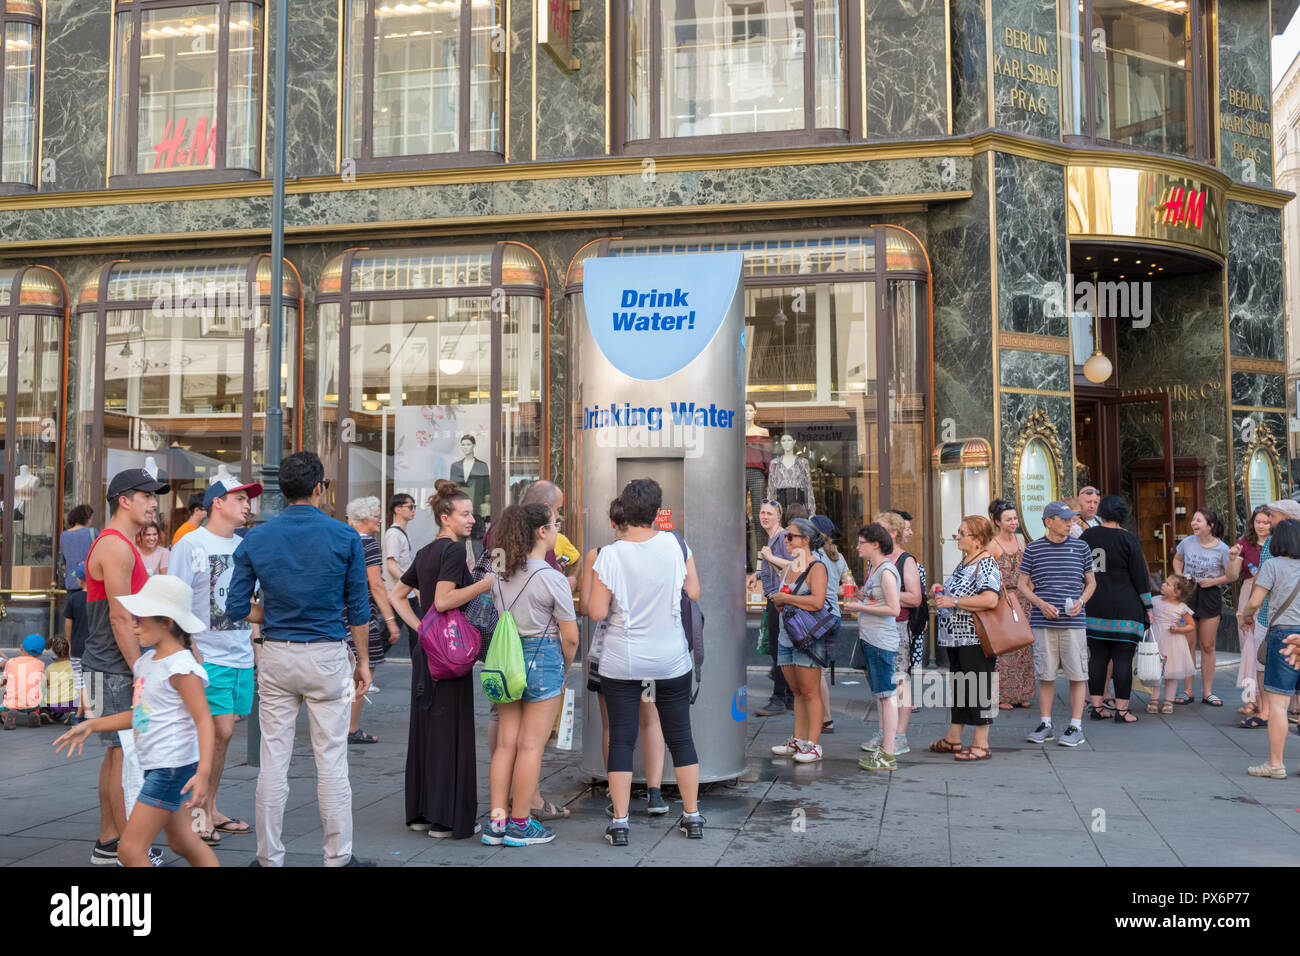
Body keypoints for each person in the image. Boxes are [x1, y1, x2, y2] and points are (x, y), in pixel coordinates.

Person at [225, 451, 374, 867]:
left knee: (274, 759)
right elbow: (358, 608)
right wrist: (362, 660)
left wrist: (269, 615)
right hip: (327, 654)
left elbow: (236, 607)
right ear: (319, 488)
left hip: (276, 653)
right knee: (331, 759)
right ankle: (337, 857)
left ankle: (269, 858)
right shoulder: (345, 536)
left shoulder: (256, 537)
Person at [52, 574, 218, 868]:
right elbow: (141, 715)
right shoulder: (146, 663)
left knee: (129, 850)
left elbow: (205, 721)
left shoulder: (181, 668)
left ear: (166, 621)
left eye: (140, 619)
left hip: (170, 767)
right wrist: (92, 725)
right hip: (160, 765)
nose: (133, 624)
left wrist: (203, 772)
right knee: (182, 841)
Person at [587, 477, 706, 845]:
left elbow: (595, 611)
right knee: (681, 738)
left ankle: (620, 823)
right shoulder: (675, 544)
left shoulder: (610, 555)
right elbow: (694, 592)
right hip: (671, 658)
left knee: (622, 740)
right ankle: (692, 816)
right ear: (657, 513)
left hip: (622, 660)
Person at [390, 479, 496, 840]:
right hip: (449, 654)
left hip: (428, 652)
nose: (472, 520)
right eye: (465, 514)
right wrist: (485, 584)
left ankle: (422, 813)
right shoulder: (451, 551)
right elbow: (444, 600)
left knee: (426, 728)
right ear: (445, 517)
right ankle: (446, 818)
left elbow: (397, 595)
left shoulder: (425, 551)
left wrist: (422, 631)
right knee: (451, 731)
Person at [166, 475, 262, 844]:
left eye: (248, 499)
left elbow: (249, 603)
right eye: (239, 498)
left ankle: (209, 806)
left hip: (240, 653)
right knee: (215, 732)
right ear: (216, 502)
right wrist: (189, 650)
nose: (247, 505)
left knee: (223, 736)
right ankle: (195, 812)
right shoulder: (190, 543)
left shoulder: (245, 546)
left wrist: (256, 648)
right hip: (206, 655)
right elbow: (174, 601)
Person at [84, 466, 170, 866]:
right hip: (114, 665)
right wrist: (141, 670)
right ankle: (127, 851)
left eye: (155, 496)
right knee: (125, 758)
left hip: (109, 664)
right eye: (148, 496)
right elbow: (120, 617)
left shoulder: (120, 542)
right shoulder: (116, 545)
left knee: (117, 755)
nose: (154, 503)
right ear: (124, 500)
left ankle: (109, 841)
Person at [481, 503, 580, 847]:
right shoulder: (553, 578)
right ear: (541, 532)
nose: (557, 530)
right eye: (554, 525)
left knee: (506, 744)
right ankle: (521, 823)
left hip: (506, 658)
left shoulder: (501, 573)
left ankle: (496, 822)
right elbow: (570, 637)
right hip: (543, 657)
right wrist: (566, 668)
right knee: (531, 747)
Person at [581, 499, 671, 818]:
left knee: (614, 726)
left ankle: (615, 791)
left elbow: (588, 608)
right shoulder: (658, 552)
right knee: (650, 719)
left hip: (609, 654)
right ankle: (656, 793)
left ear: (612, 522)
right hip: (648, 654)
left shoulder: (600, 555)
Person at [1019, 501, 1097, 748]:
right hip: (1043, 621)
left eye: (1070, 519)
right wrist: (1040, 604)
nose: (1069, 523)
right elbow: (1022, 585)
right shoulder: (1033, 549)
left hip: (1074, 622)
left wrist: (1081, 602)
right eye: (1064, 519)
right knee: (1046, 674)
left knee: (1077, 674)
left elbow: (1092, 583)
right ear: (1048, 521)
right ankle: (1046, 723)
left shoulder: (1082, 547)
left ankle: (1076, 726)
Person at [929, 516, 1002, 759]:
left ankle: (981, 744)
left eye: (962, 533)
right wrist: (942, 590)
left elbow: (991, 599)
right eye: (958, 532)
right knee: (961, 688)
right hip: (956, 639)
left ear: (979, 539)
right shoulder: (968, 561)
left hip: (975, 637)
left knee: (977, 688)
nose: (957, 536)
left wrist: (954, 600)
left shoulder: (986, 564)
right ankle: (953, 738)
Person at [1081, 496, 1152, 723]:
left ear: (1101, 512)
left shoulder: (1087, 536)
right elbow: (1140, 576)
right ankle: (1122, 711)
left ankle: (1097, 707)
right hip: (1125, 608)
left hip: (1093, 605)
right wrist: (1148, 606)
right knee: (1122, 658)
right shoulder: (1127, 539)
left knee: (1097, 657)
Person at [1239, 518, 1300, 779]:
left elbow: (1255, 601)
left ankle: (1276, 763)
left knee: (1278, 703)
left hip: (1284, 636)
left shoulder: (1272, 565)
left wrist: (1246, 616)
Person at [769, 517, 833, 764]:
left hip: (807, 637)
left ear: (805, 540)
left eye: (790, 536)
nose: (786, 540)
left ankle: (814, 744)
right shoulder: (788, 567)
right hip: (787, 635)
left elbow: (817, 601)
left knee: (810, 691)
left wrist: (786, 600)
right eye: (786, 536)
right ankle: (798, 739)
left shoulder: (816, 567)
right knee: (796, 691)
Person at [342, 496, 401, 743]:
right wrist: (390, 620)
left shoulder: (343, 539)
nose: (379, 520)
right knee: (363, 670)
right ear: (365, 519)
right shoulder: (368, 544)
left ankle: (338, 724)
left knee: (343, 670)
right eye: (377, 515)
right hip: (361, 613)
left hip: (338, 613)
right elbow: (376, 585)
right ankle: (350, 727)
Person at [847, 523, 902, 770]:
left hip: (880, 640)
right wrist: (860, 596)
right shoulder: (876, 569)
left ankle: (888, 753)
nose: (857, 547)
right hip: (873, 638)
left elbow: (894, 609)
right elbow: (879, 601)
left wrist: (860, 607)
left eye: (861, 542)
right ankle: (885, 750)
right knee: (882, 695)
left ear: (875, 544)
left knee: (886, 695)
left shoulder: (886, 571)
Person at [865, 510, 919, 752]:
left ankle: (900, 735)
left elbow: (915, 597)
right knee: (882, 684)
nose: (873, 531)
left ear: (894, 533)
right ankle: (884, 732)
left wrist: (885, 594)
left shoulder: (905, 560)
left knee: (899, 681)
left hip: (897, 626)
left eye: (880, 527)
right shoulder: (875, 559)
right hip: (875, 626)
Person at [1172, 507, 1234, 706]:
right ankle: (1187, 691)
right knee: (1188, 644)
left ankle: (1208, 692)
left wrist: (1214, 582)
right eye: (1193, 520)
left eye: (1198, 521)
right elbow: (1177, 559)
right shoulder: (1187, 543)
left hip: (1210, 595)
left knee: (1207, 645)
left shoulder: (1223, 549)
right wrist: (1180, 575)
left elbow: (1232, 575)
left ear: (1210, 526)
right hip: (1189, 594)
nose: (1193, 524)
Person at [986, 500, 1034, 710]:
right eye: (1008, 519)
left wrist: (1032, 596)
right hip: (1003, 599)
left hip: (1023, 598)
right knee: (1005, 646)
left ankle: (1023, 692)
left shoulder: (1021, 540)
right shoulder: (992, 545)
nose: (1013, 522)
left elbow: (1028, 572)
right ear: (998, 522)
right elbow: (986, 574)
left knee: (1024, 645)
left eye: (1015, 518)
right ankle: (1002, 695)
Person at [751, 500, 794, 716]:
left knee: (779, 650)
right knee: (778, 648)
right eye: (762, 512)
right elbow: (773, 567)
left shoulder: (782, 538)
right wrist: (757, 575)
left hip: (780, 600)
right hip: (775, 598)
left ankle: (779, 698)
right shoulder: (773, 537)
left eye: (769, 513)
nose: (764, 516)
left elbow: (794, 567)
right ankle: (787, 696)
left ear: (779, 516)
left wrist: (769, 557)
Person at [1231, 505, 1271, 719]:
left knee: (1265, 650)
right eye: (1258, 521)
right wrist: (1231, 558)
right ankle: (1250, 699)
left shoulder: (1278, 545)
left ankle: (1272, 702)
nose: (1262, 525)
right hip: (1249, 593)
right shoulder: (1244, 543)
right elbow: (1231, 575)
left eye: (1266, 522)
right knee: (1247, 649)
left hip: (1268, 596)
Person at [811, 513, 849, 733]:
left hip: (818, 616)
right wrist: (836, 591)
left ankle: (825, 718)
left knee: (816, 670)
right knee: (820, 669)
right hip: (834, 615)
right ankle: (823, 717)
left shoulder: (814, 556)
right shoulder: (838, 556)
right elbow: (849, 585)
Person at [1148, 574, 1197, 713]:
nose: (1163, 584)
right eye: (1165, 582)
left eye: (1168, 584)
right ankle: (1153, 699)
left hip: (1173, 643)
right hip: (1156, 640)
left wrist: (1179, 629)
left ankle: (1169, 701)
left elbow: (1191, 625)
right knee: (1154, 672)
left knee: (1172, 673)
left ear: (1177, 593)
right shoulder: (1155, 600)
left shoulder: (1182, 608)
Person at [384, 493, 420, 653]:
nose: (413, 510)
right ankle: (363, 667)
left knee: (418, 635)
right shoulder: (393, 534)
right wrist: (411, 584)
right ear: (398, 509)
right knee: (386, 637)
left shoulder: (402, 534)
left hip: (406, 593)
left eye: (414, 506)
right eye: (410, 506)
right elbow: (391, 566)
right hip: (397, 593)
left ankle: (420, 675)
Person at [2, 634, 46, 729]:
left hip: (12, 701)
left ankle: (7, 715)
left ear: (21, 647)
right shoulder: (40, 664)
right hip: (32, 702)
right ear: (40, 654)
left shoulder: (10, 662)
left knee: (4, 700)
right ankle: (34, 713)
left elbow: (4, 680)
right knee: (41, 689)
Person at [64, 561, 89, 723]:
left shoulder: (73, 598)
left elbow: (68, 623)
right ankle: (88, 711)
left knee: (80, 681)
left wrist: (69, 641)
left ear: (80, 580)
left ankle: (79, 713)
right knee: (93, 680)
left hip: (78, 647)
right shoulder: (101, 598)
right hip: (95, 647)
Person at [60, 504, 95, 593]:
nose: (91, 521)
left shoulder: (64, 535)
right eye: (91, 518)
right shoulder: (92, 532)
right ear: (87, 518)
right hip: (88, 582)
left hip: (71, 583)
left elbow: (64, 562)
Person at [44, 636, 77, 723]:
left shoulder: (49, 668)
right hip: (70, 703)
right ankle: (74, 712)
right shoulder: (74, 666)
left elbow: (45, 685)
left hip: (52, 704)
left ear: (54, 652)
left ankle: (45, 712)